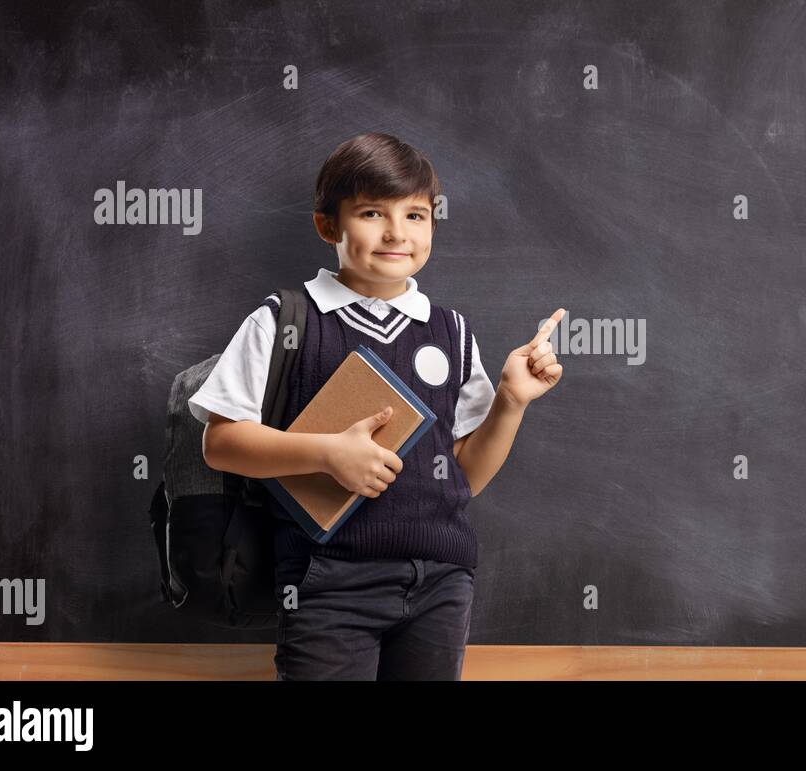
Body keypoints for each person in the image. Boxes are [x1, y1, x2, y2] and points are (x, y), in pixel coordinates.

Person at [187, 131, 565, 680]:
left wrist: (510, 401)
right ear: (328, 226)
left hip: (441, 577)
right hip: (326, 579)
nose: (396, 233)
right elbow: (220, 443)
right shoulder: (285, 321)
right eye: (371, 212)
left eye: (416, 215)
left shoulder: (451, 331)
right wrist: (327, 455)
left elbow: (464, 478)